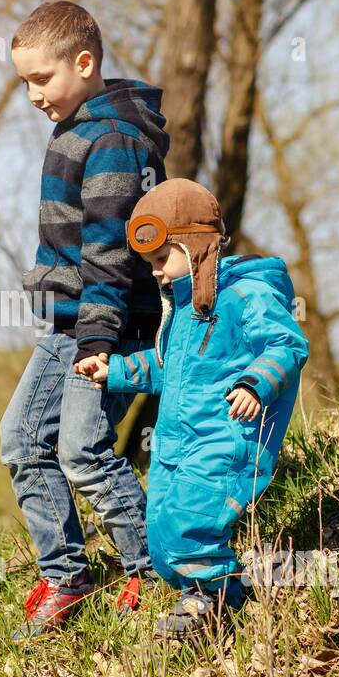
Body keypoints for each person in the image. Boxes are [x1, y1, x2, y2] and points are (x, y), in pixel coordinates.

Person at [0, 0, 170, 641]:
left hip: (111, 325)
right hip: (71, 323)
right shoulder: (78, 129)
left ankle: (157, 569)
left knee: (82, 450)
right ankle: (68, 574)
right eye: (24, 83)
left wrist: (98, 342)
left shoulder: (113, 140)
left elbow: (110, 255)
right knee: (21, 441)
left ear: (85, 62)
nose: (33, 95)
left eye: (41, 79)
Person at [76, 178, 309, 638]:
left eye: (162, 260)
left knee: (188, 526)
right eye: (150, 265)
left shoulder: (245, 295)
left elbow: (287, 343)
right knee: (161, 534)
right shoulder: (182, 312)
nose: (156, 273)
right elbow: (167, 367)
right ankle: (215, 589)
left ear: (195, 245)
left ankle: (213, 601)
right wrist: (116, 371)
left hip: (225, 438)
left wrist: (254, 383)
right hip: (174, 444)